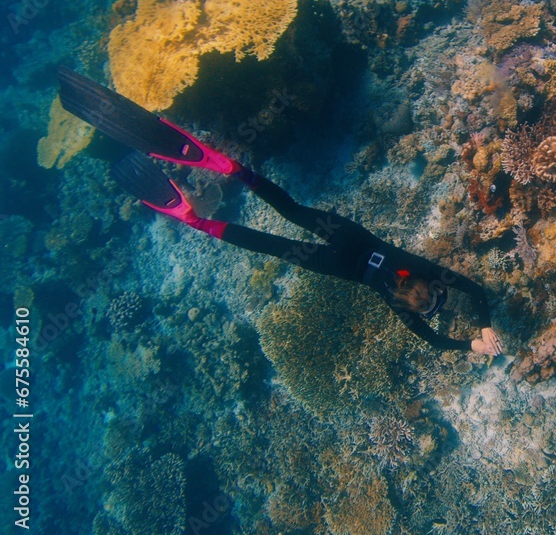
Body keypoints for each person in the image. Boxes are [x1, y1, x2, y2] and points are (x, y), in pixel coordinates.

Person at [58, 68, 503, 356]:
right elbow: (434, 341)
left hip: (348, 236)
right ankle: (197, 220)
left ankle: (235, 170)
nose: (432, 301)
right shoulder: (399, 306)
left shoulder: (421, 270)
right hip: (335, 264)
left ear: (422, 285)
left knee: (290, 208)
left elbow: (472, 290)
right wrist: (469, 344)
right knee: (271, 245)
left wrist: (481, 328)